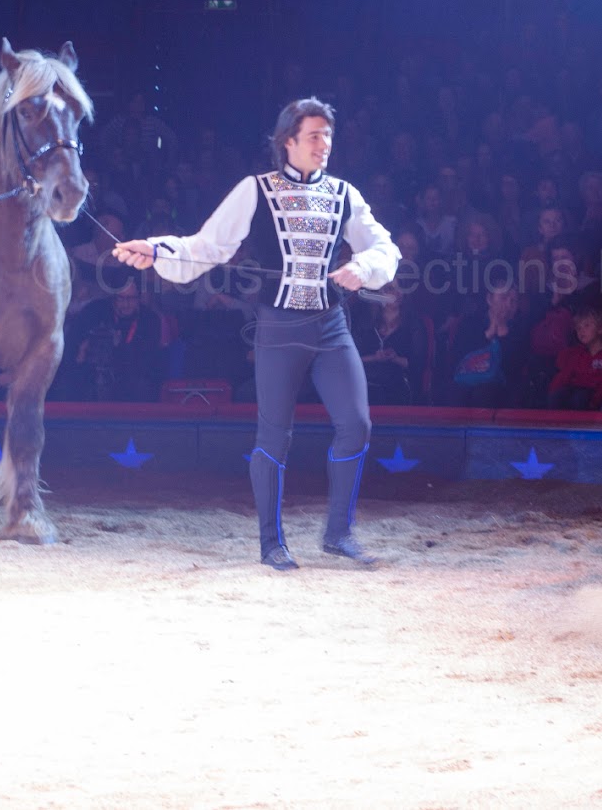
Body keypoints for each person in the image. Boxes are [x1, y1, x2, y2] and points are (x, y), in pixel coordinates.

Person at [112, 98, 400, 571]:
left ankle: (339, 533)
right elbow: (208, 246)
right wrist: (157, 249)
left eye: (328, 135)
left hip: (331, 326)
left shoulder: (345, 194)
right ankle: (271, 543)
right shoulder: (256, 189)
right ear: (288, 141)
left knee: (357, 424)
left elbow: (384, 248)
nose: (323, 144)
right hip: (280, 328)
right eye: (313, 135)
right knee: (275, 435)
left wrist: (363, 266)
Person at [547, 305, 602, 411]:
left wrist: (594, 402)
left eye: (586, 326)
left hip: (595, 398)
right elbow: (565, 375)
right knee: (558, 397)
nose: (581, 331)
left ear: (600, 329)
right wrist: (553, 391)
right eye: (578, 328)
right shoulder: (577, 353)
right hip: (576, 393)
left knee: (579, 398)